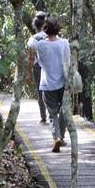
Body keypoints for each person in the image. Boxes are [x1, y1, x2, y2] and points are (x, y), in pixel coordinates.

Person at [36, 16, 72, 151]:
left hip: (47, 84)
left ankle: (56, 137)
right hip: (62, 82)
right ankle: (61, 137)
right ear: (58, 28)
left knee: (52, 114)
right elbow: (68, 61)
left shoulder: (41, 45)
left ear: (45, 29)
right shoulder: (64, 43)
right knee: (64, 109)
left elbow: (40, 63)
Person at [26, 11, 48, 123]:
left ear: (34, 25)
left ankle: (43, 116)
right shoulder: (50, 37)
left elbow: (31, 58)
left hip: (37, 68)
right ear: (45, 24)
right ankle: (53, 114)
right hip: (49, 67)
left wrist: (28, 73)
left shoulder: (32, 40)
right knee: (50, 89)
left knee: (40, 91)